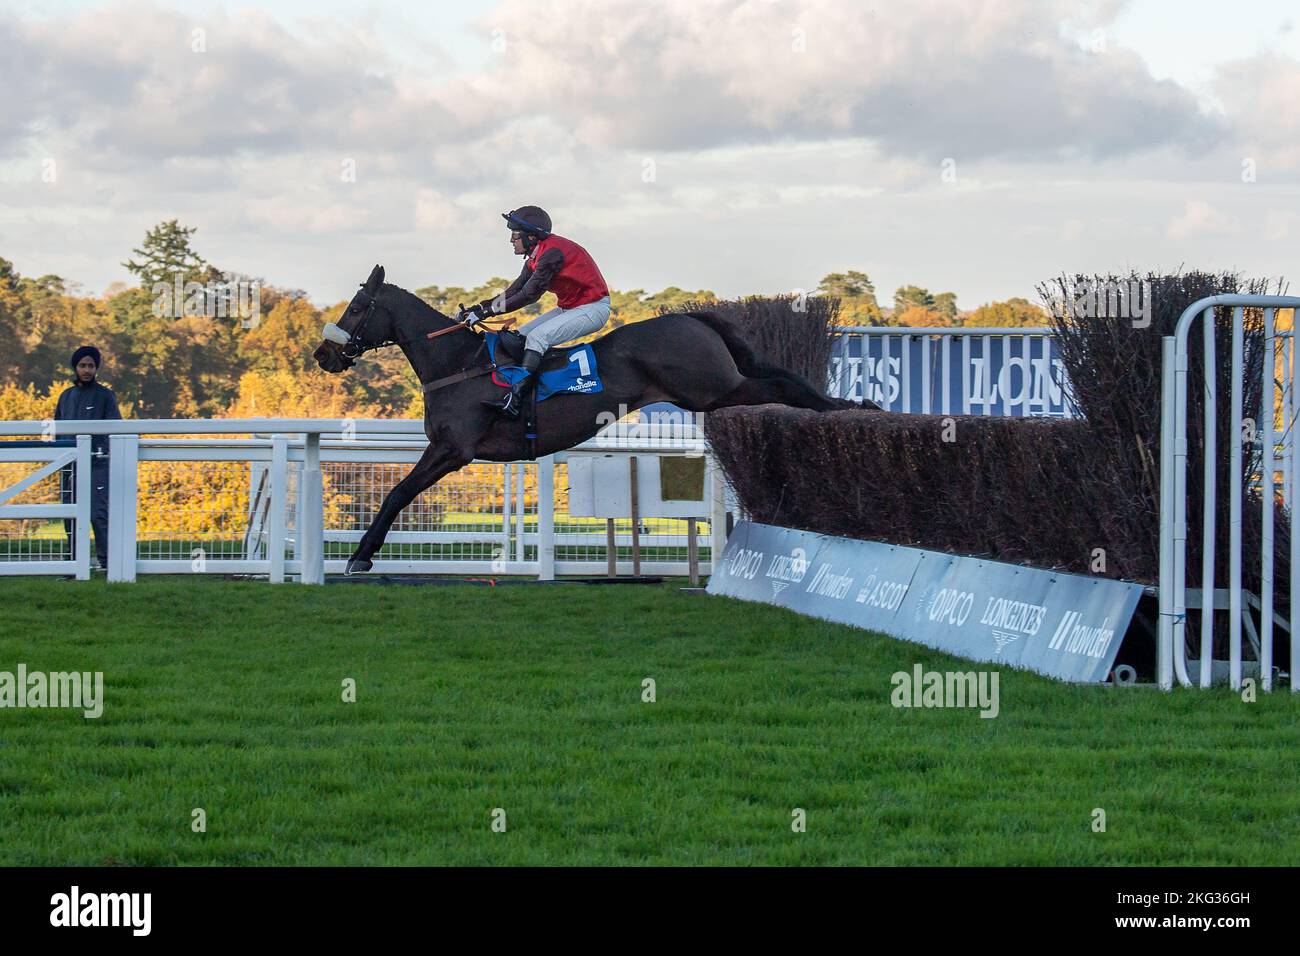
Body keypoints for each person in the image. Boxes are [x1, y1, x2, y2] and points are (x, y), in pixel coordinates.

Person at [471, 206, 611, 418]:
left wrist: (488, 313)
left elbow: (529, 295)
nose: (511, 240)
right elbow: (514, 290)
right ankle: (529, 384)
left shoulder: (551, 254)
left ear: (530, 236)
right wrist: (482, 307)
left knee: (537, 337)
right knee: (520, 337)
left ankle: (517, 396)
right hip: (570, 308)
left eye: (515, 234)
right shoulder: (536, 256)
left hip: (593, 308)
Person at [54, 345, 121, 569]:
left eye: (91, 366)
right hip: (69, 464)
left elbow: (116, 430)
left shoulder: (105, 396)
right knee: (70, 514)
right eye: (83, 365)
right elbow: (58, 430)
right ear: (75, 367)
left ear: (96, 368)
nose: (86, 370)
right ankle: (73, 562)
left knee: (98, 514)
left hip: (97, 465)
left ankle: (108, 563)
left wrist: (102, 454)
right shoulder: (66, 397)